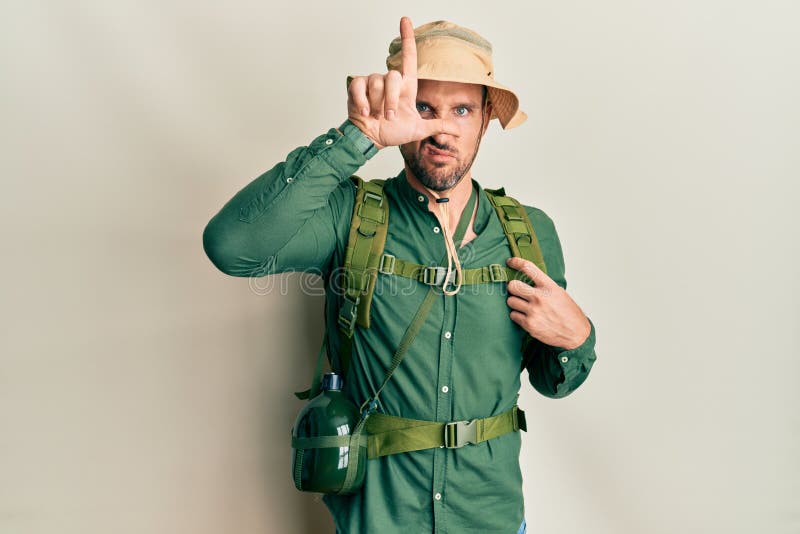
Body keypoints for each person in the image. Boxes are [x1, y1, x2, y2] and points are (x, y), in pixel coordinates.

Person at [203, 17, 597, 534]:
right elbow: (232, 247)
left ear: (483, 121)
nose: (443, 128)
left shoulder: (529, 232)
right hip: (380, 520)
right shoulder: (352, 216)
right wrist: (358, 138)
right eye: (424, 108)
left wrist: (577, 338)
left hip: (492, 518)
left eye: (462, 110)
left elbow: (554, 380)